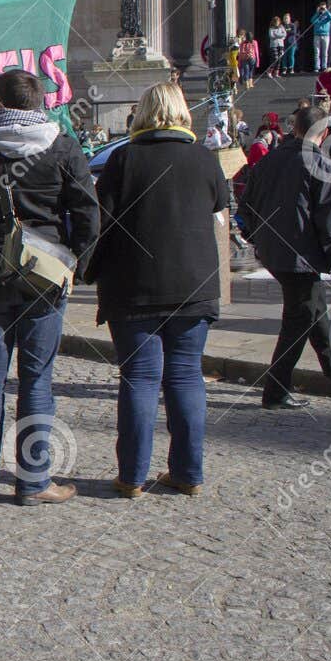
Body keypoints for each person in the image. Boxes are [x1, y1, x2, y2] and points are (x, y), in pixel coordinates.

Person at [0, 68, 99, 505]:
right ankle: (32, 483)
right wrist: (76, 267)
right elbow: (88, 215)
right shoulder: (62, 146)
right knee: (37, 380)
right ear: (39, 103)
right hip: (44, 277)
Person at [88, 84, 227, 499]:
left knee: (140, 379)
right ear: (183, 112)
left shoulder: (123, 159)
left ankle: (131, 477)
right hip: (194, 284)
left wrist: (88, 271)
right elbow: (220, 204)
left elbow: (102, 222)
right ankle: (188, 473)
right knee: (186, 376)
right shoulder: (204, 158)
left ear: (142, 114)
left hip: (134, 287)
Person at [239, 106, 331, 408]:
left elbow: (245, 208)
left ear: (295, 129)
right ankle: (275, 391)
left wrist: (257, 239)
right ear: (324, 133)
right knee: (298, 320)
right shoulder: (321, 166)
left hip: (276, 253)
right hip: (300, 256)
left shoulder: (269, 161)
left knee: (311, 308)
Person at [310, 1, 331, 72]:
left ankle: (324, 66)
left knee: (325, 52)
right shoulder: (317, 16)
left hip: (326, 35)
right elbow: (312, 21)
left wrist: (326, 11)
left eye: (323, 7)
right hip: (317, 35)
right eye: (321, 7)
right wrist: (317, 13)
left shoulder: (327, 16)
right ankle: (317, 67)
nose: (322, 9)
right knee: (317, 52)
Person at [281, 11, 300, 76]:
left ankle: (291, 68)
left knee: (291, 55)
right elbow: (281, 33)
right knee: (284, 56)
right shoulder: (282, 26)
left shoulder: (293, 25)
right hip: (284, 43)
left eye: (287, 18)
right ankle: (284, 68)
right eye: (285, 18)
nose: (286, 19)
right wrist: (286, 32)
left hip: (292, 43)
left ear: (289, 19)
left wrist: (285, 32)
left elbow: (293, 32)